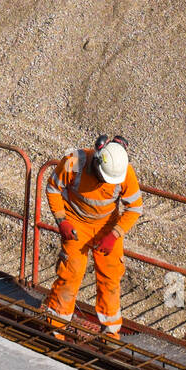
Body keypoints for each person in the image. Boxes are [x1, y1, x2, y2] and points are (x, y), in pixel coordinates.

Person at [43, 135, 143, 340]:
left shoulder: (124, 173)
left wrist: (115, 234)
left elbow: (135, 208)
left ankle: (110, 333)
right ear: (97, 161)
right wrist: (62, 221)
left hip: (106, 227)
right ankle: (56, 325)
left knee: (110, 277)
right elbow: (53, 188)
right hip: (75, 222)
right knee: (71, 273)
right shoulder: (74, 162)